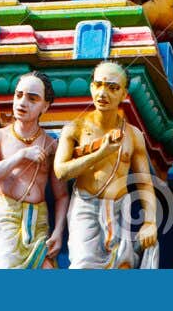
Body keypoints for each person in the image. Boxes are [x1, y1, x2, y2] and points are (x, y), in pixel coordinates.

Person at [54, 61, 159, 268]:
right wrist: (100, 154)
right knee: (83, 265)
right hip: (86, 207)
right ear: (91, 87)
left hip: (120, 209)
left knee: (123, 266)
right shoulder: (75, 129)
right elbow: (60, 171)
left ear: (124, 94)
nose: (103, 93)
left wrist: (149, 221)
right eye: (99, 85)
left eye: (113, 88)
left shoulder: (133, 135)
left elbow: (144, 183)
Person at [0, 71, 67, 268]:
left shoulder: (51, 145)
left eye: (32, 99)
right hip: (6, 215)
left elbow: (61, 195)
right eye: (19, 95)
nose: (22, 103)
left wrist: (58, 231)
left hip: (38, 221)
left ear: (45, 106)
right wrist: (20, 156)